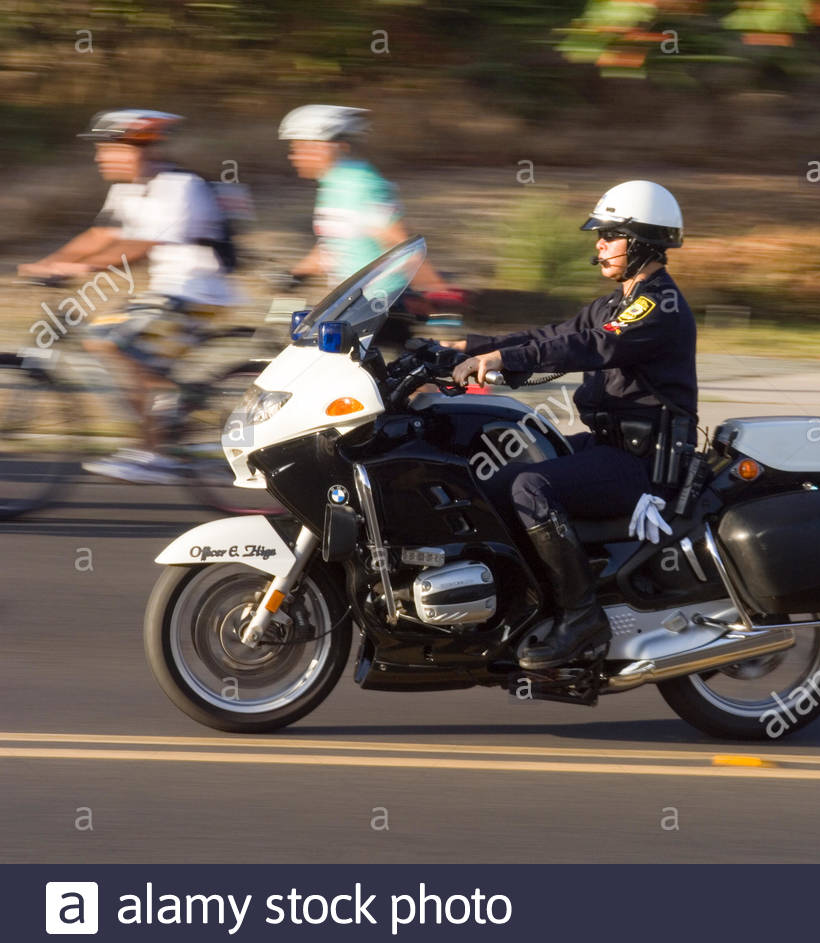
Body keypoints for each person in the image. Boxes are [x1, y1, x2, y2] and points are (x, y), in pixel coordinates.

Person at [446, 180, 697, 669]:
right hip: (608, 446)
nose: (599, 244)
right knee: (495, 479)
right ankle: (524, 605)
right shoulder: (613, 304)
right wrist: (470, 348)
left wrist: (500, 356)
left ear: (642, 241)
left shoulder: (655, 305)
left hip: (642, 463)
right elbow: (551, 336)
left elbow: (592, 348)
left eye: (609, 235)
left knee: (530, 486)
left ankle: (581, 617)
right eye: (599, 236)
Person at [18, 109, 237, 484]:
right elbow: (101, 235)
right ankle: (163, 414)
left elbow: (139, 247)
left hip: (200, 295)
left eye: (107, 149)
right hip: (167, 293)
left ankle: (155, 453)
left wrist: (80, 269)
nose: (99, 157)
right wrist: (49, 263)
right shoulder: (126, 188)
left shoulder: (179, 186)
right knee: (99, 338)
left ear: (137, 149)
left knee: (116, 343)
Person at [278, 104, 451, 302]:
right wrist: (294, 275)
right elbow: (335, 247)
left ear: (323, 147)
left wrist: (438, 294)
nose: (293, 156)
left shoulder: (360, 184)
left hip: (380, 303)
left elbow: (400, 244)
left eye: (299, 148)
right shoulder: (332, 183)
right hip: (352, 303)